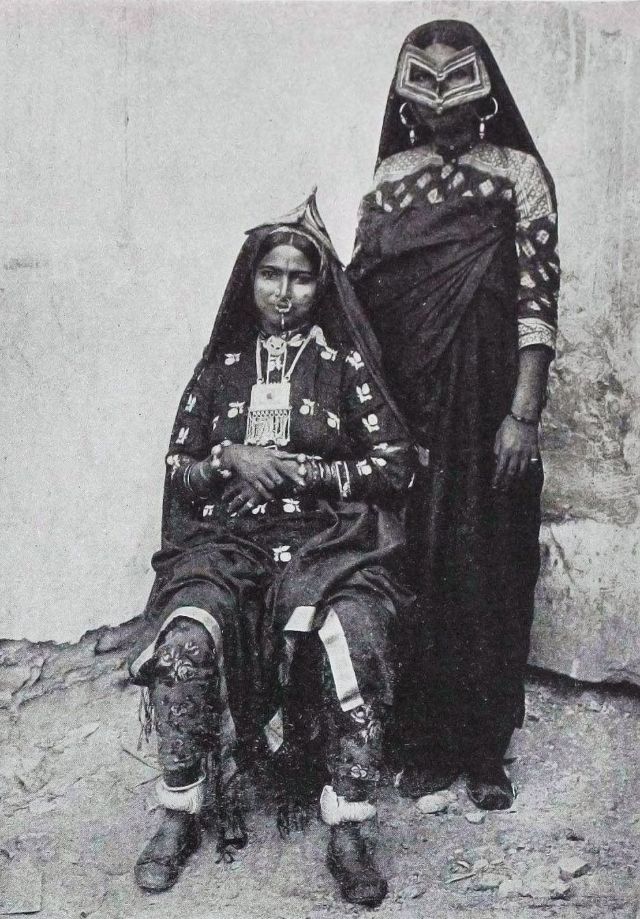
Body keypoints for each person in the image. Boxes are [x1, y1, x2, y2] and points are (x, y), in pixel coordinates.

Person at [128, 192, 414, 907]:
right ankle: (179, 810)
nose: (284, 291)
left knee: (358, 631)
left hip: (329, 541)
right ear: (249, 280)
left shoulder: (344, 367)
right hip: (229, 544)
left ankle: (348, 824)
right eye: (270, 274)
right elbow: (178, 469)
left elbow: (396, 466)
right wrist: (229, 457)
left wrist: (309, 471)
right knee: (186, 639)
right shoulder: (220, 367)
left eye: (300, 277)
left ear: (321, 286)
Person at [348, 20, 559, 809]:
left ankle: (486, 747)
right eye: (429, 111)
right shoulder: (389, 179)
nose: (445, 124)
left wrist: (523, 413)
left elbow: (538, 297)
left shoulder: (518, 174)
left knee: (491, 563)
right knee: (418, 564)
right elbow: (367, 292)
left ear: (484, 100)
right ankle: (428, 740)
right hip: (410, 405)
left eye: (458, 109)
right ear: (408, 108)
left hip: (489, 404)